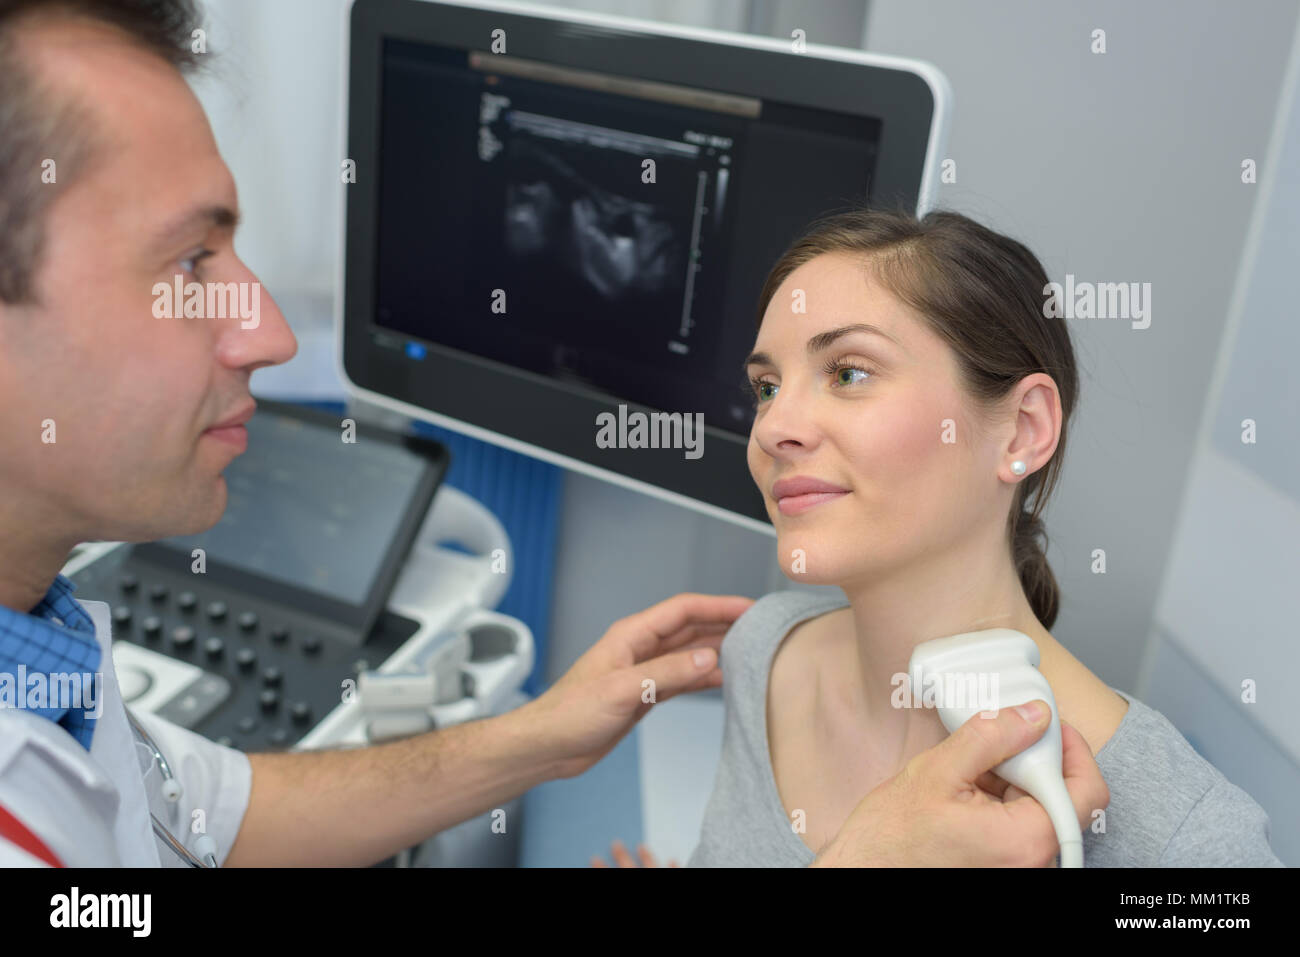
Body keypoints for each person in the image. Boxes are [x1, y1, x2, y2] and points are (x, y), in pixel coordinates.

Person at [0, 0, 751, 867]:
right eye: (189, 263)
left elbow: (209, 812)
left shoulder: (39, 639)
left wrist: (546, 734)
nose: (270, 336)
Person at [646, 207, 1279, 867]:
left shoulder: (1193, 843)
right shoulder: (764, 654)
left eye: (848, 372)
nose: (774, 426)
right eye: (767, 387)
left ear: (1023, 430)